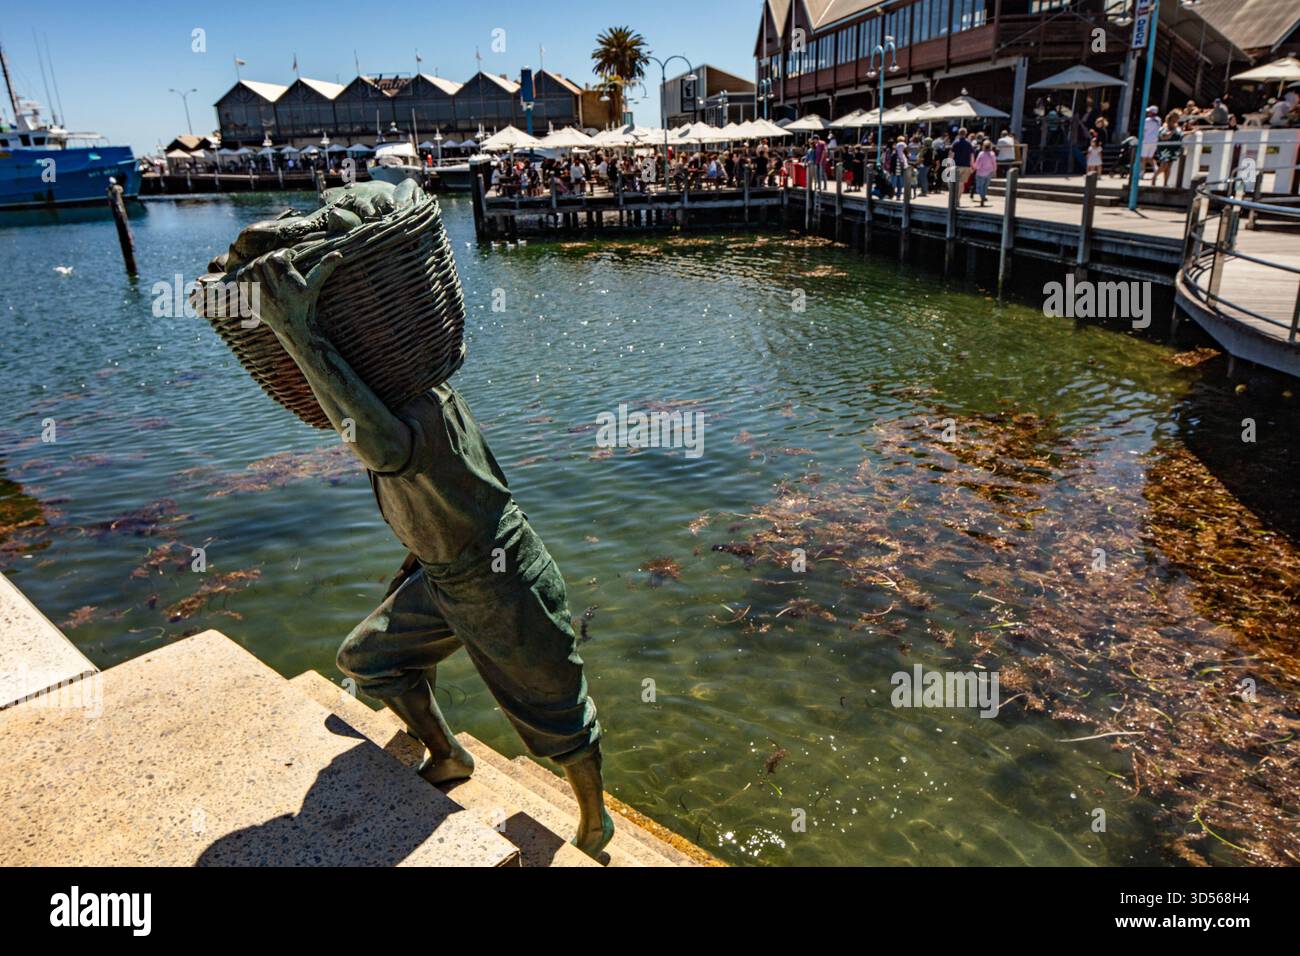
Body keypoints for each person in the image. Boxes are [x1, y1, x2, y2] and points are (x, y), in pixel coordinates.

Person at [229, 182, 612, 859]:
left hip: (503, 576)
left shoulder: (405, 418)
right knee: (368, 661)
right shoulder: (410, 387)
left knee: (556, 713)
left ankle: (594, 818)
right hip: (440, 576)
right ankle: (447, 751)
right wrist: (412, 563)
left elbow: (372, 439)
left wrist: (296, 330)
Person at [1154, 110, 1183, 187]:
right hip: (1165, 149)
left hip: (1173, 149)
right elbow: (1163, 136)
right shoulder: (1166, 125)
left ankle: (1165, 183)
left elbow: (1180, 134)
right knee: (1164, 166)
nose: (1178, 118)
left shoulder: (1176, 126)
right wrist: (1171, 133)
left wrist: (1191, 132)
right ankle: (1154, 177)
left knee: (1169, 166)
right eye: (1177, 117)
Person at [951, 127, 974, 202]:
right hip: (966, 166)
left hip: (956, 165)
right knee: (961, 183)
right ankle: (958, 198)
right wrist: (972, 165)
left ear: (958, 133)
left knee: (955, 183)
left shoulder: (955, 143)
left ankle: (954, 198)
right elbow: (972, 155)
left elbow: (951, 154)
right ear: (966, 134)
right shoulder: (969, 143)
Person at [973, 139, 997, 205]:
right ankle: (983, 196)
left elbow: (978, 164)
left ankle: (982, 196)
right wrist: (994, 171)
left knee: (979, 186)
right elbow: (994, 163)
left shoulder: (981, 154)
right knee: (985, 186)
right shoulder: (992, 154)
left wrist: (974, 168)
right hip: (989, 172)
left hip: (980, 173)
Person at [1140, 105, 1160, 177]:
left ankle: (1142, 173)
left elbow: (1143, 130)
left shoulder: (1147, 120)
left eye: (1149, 112)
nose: (1148, 113)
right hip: (1154, 141)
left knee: (1143, 157)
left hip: (1146, 141)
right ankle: (1155, 168)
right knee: (1150, 157)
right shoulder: (1158, 120)